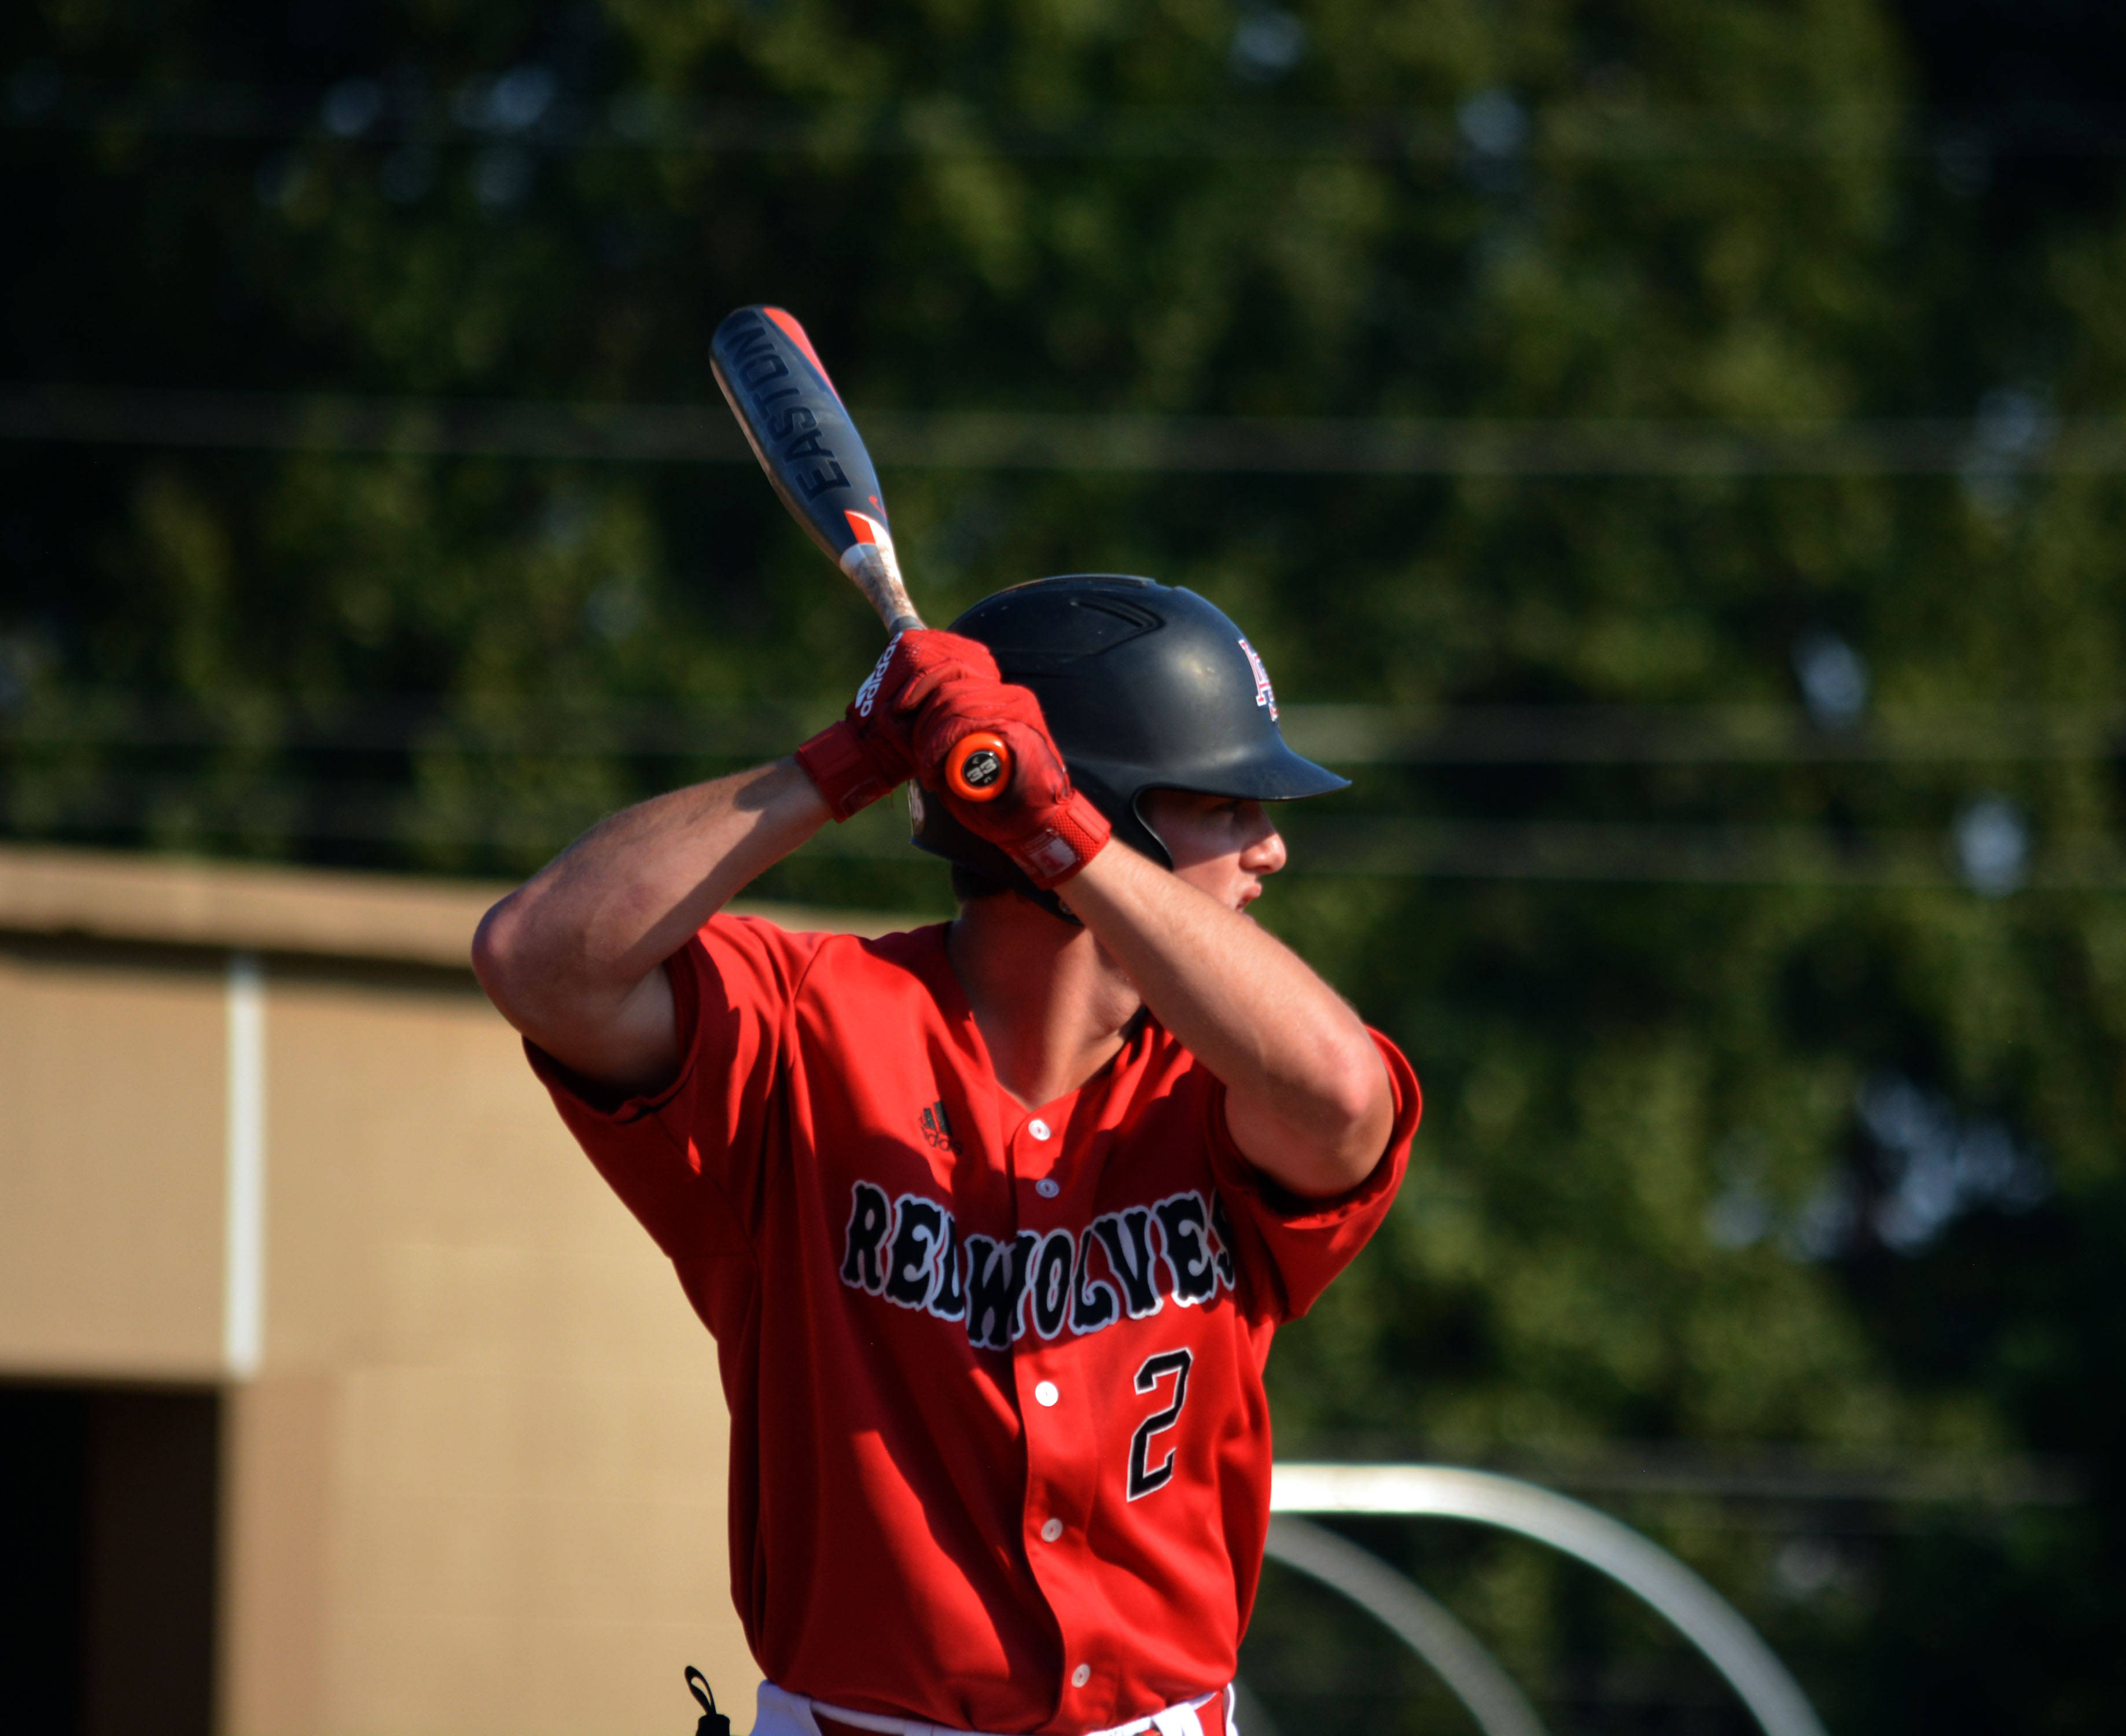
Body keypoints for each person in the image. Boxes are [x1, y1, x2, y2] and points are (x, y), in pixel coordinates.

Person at [472, 574, 1419, 1736]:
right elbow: (539, 960)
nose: (1268, 849)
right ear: (1120, 802)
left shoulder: (1223, 1080)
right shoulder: (807, 1020)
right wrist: (854, 756)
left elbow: (1336, 1097)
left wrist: (1056, 833)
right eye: (1224, 806)